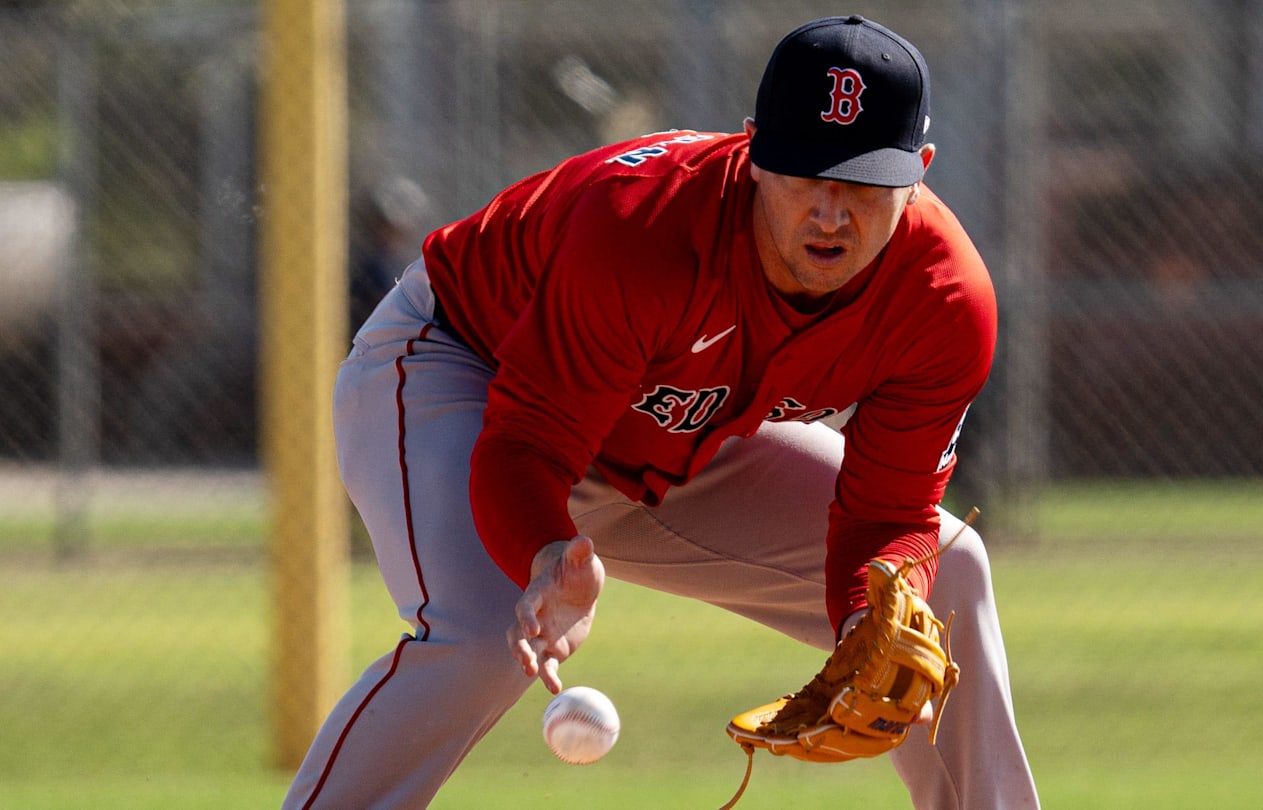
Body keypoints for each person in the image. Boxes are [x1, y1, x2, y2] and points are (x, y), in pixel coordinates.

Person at [283, 14, 1039, 810]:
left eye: (861, 182)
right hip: (463, 365)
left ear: (919, 171)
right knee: (482, 640)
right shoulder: (641, 230)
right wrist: (545, 559)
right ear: (751, 154)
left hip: (685, 427)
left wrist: (864, 619)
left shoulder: (943, 300)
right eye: (803, 173)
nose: (829, 212)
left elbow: (888, 514)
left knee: (940, 580)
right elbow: (525, 447)